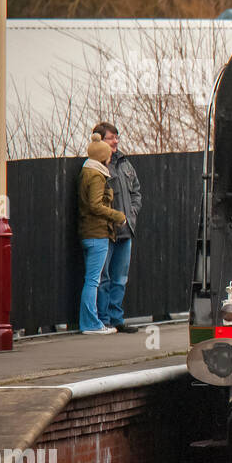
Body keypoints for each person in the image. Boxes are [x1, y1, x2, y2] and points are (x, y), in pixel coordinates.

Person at [93, 121, 142, 334]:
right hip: (106, 231)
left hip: (126, 229)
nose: (115, 141)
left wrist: (132, 213)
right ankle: (104, 319)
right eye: (110, 138)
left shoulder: (125, 163)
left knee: (120, 278)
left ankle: (116, 317)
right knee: (104, 278)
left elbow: (136, 192)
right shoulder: (98, 165)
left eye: (116, 137)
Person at [78, 134, 126, 334]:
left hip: (88, 231)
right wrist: (118, 215)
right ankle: (91, 323)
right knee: (93, 280)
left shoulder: (86, 172)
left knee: (92, 279)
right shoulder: (96, 175)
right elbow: (96, 205)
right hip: (97, 233)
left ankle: (89, 322)